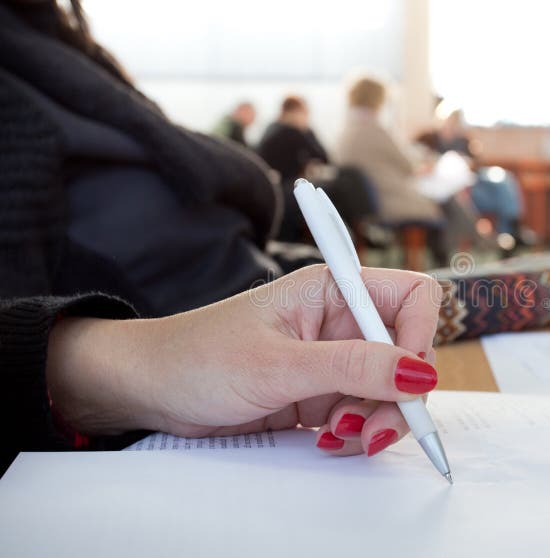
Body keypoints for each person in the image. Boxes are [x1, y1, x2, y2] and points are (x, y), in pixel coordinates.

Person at [0, 0, 440, 473]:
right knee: (487, 296)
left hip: (274, 316)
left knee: (448, 301)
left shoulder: (54, 38)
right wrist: (134, 369)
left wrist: (315, 277)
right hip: (210, 348)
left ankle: (480, 294)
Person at [336, 77, 478, 265]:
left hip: (371, 198)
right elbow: (408, 165)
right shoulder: (374, 129)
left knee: (444, 199)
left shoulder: (345, 131)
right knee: (446, 199)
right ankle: (457, 255)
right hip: (391, 199)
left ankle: (460, 249)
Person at [417, 105, 537, 250]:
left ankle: (511, 229)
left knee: (503, 178)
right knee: (484, 196)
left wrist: (464, 162)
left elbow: (476, 164)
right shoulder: (428, 138)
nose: (453, 126)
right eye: (451, 121)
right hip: (449, 186)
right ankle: (506, 236)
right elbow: (419, 161)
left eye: (457, 123)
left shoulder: (464, 140)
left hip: (469, 179)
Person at [256, 95, 374, 241]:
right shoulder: (291, 131)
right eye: (305, 113)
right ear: (296, 112)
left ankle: (355, 230)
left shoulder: (271, 128)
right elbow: (323, 156)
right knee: (347, 179)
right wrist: (307, 130)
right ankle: (357, 231)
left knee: (344, 181)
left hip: (279, 192)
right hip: (290, 192)